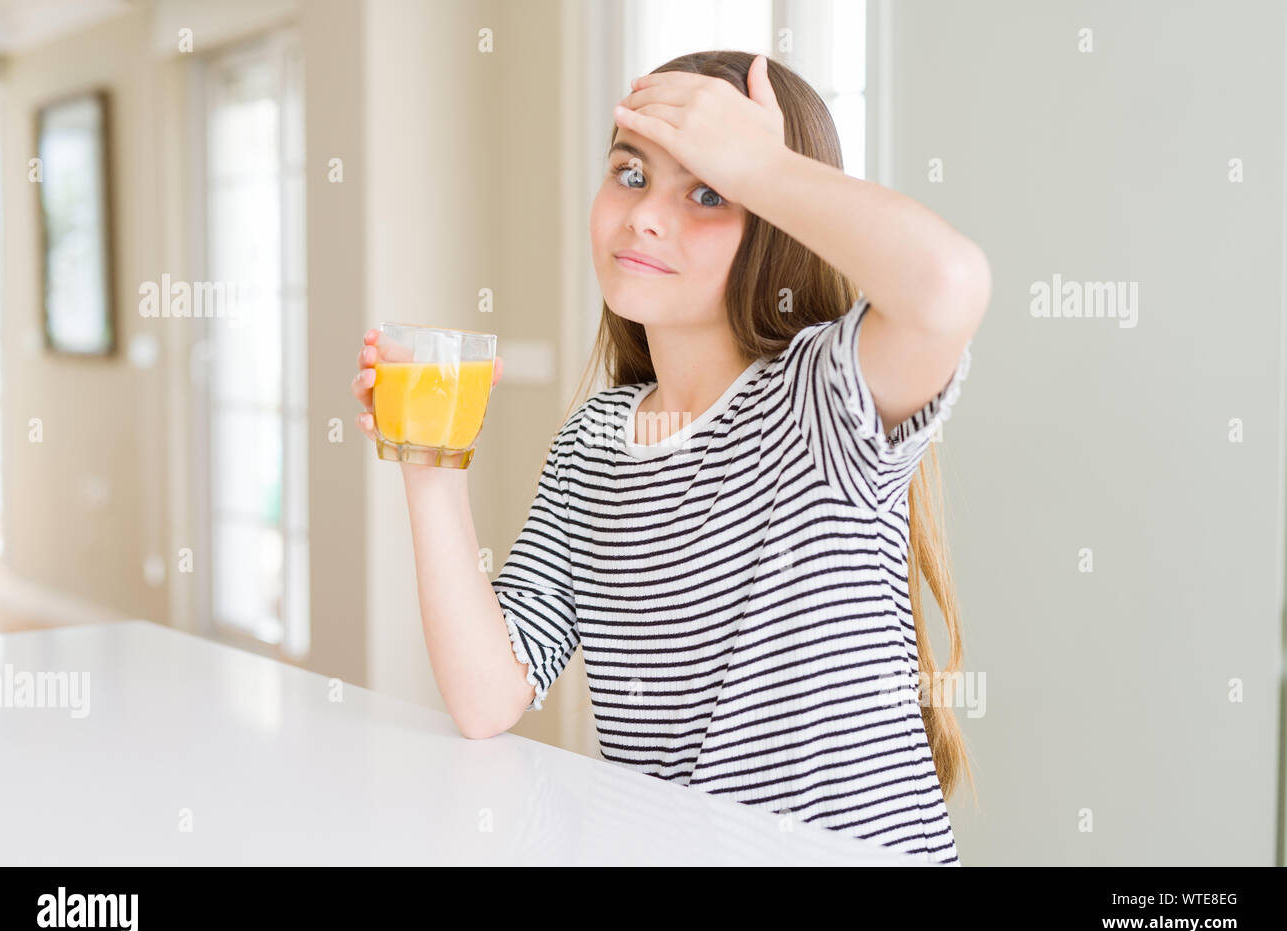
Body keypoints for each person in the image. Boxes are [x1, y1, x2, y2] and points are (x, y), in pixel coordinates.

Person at [352, 51, 988, 866]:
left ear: (772, 221)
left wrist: (760, 164)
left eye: (708, 193)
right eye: (629, 173)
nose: (646, 216)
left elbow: (949, 285)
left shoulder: (821, 404)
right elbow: (487, 693)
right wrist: (430, 466)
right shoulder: (593, 444)